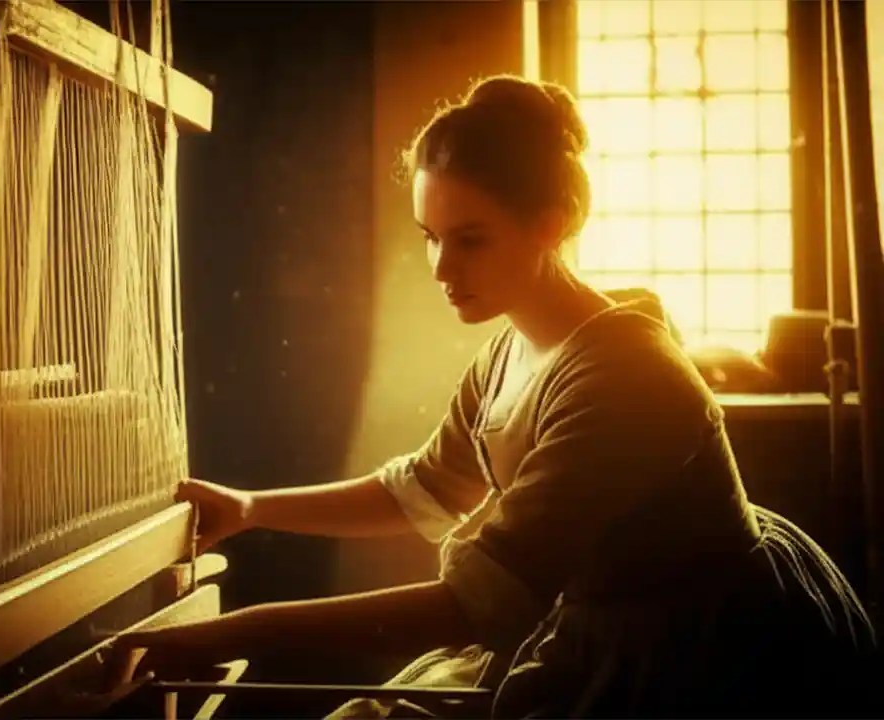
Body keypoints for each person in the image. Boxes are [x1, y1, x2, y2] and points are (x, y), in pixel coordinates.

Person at [109, 74, 877, 717]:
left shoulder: (628, 377)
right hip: (586, 622)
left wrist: (234, 632)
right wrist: (251, 509)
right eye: (430, 237)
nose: (442, 268)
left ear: (554, 222)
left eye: (470, 238)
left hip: (687, 651)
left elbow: (473, 604)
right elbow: (425, 486)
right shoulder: (509, 352)